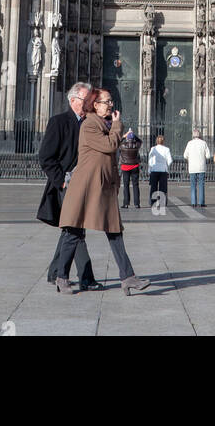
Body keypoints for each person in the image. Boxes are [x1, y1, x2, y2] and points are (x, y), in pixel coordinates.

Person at [56, 88, 149, 296]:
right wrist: (117, 125)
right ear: (95, 104)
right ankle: (61, 277)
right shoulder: (90, 125)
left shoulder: (103, 125)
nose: (110, 105)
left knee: (115, 232)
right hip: (86, 188)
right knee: (74, 232)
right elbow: (109, 146)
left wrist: (115, 182)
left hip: (103, 187)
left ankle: (128, 277)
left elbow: (110, 158)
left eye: (111, 101)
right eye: (106, 101)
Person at [36, 81, 102, 291]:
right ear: (73, 100)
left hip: (83, 184)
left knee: (70, 230)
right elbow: (46, 157)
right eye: (86, 100)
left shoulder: (89, 123)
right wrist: (62, 182)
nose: (90, 104)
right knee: (75, 230)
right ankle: (85, 277)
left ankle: (55, 273)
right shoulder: (59, 122)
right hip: (67, 185)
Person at [182, 128, 212, 207]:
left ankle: (193, 202)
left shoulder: (189, 143)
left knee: (193, 185)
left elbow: (185, 155)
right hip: (201, 167)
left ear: (193, 135)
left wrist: (190, 158)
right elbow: (208, 156)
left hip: (192, 167)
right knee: (201, 185)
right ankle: (201, 202)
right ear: (200, 135)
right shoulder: (203, 143)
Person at [119, 127, 142, 209]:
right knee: (136, 185)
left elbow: (117, 141)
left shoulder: (123, 145)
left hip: (125, 166)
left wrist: (124, 136)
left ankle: (126, 203)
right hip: (135, 166)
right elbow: (140, 141)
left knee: (126, 185)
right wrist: (133, 135)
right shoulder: (136, 145)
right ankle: (137, 203)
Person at [148, 133, 173, 207]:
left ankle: (153, 202)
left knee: (153, 187)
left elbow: (150, 160)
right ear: (163, 141)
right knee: (163, 188)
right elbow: (170, 160)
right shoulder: (166, 149)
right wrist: (166, 165)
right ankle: (162, 202)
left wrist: (150, 169)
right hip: (163, 170)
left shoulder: (153, 149)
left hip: (154, 169)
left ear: (156, 141)